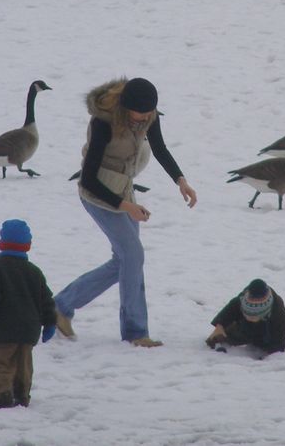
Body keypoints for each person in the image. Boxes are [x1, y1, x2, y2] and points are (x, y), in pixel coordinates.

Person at [53, 77, 198, 348]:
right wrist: (126, 206)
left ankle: (60, 306)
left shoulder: (149, 116)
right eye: (140, 113)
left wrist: (181, 180)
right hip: (98, 195)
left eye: (149, 113)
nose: (145, 118)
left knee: (126, 261)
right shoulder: (103, 124)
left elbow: (160, 148)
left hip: (123, 189)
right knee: (133, 255)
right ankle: (135, 332)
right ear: (126, 107)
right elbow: (88, 180)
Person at [0, 219, 56, 408]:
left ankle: (1, 396)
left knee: (0, 363)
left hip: (3, 328)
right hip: (29, 329)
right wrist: (50, 323)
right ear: (28, 245)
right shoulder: (35, 272)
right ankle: (21, 394)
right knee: (24, 365)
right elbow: (46, 300)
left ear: (1, 243)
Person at [205, 278, 285, 357]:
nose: (250, 318)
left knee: (274, 348)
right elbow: (230, 310)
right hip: (245, 328)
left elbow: (282, 334)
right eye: (247, 314)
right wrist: (220, 325)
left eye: (254, 316)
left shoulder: (278, 312)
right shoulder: (242, 299)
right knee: (226, 335)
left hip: (268, 332)